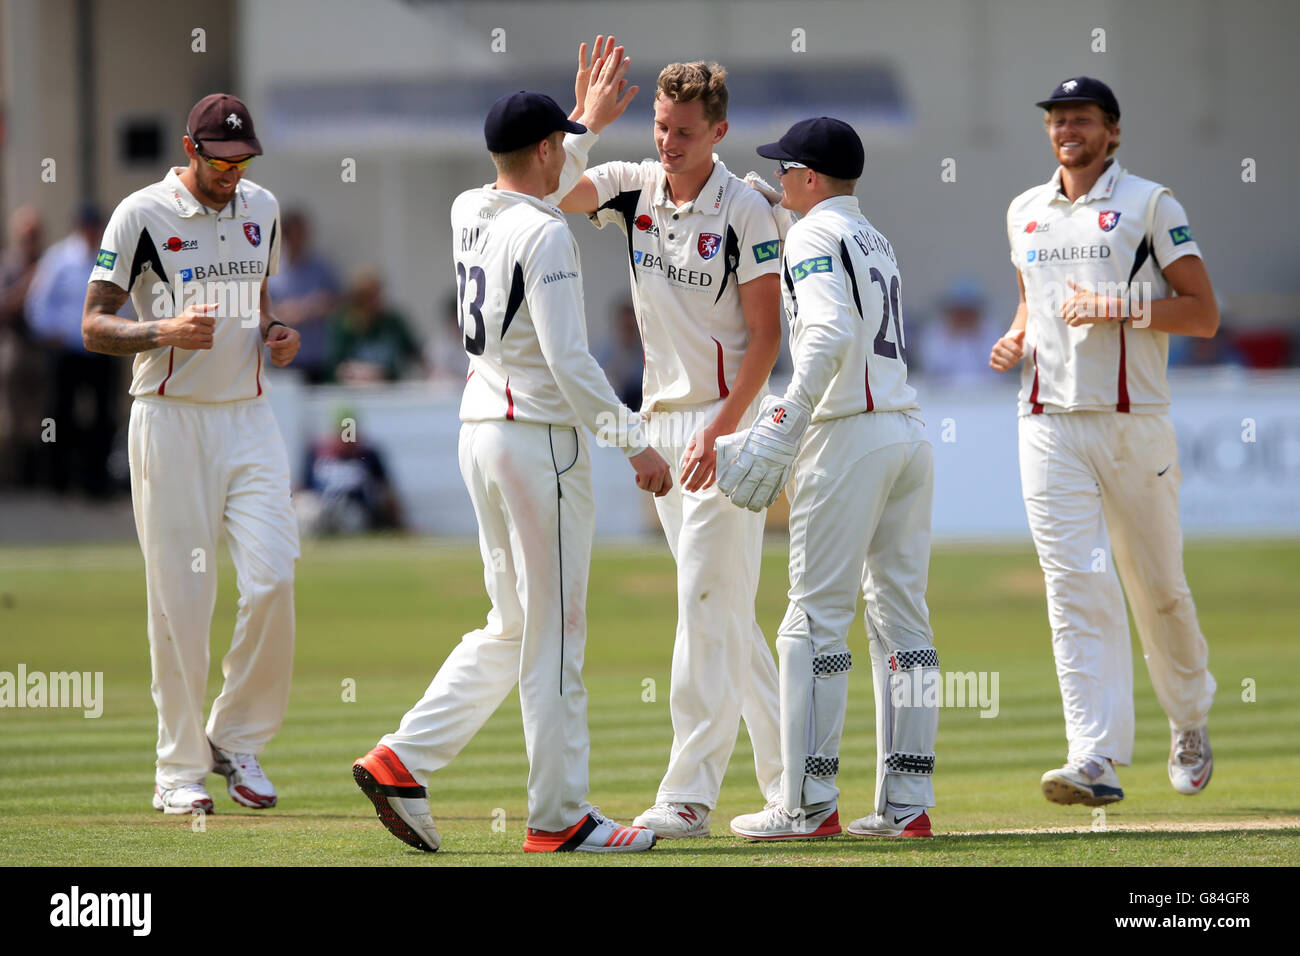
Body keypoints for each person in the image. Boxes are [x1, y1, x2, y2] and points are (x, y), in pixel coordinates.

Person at [352, 48, 674, 855]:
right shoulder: (547, 236)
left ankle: (401, 758)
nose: (567, 149)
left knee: (512, 625)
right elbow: (572, 365)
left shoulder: (471, 206)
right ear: (542, 152)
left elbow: (548, 185)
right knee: (557, 636)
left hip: (481, 434)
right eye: (560, 141)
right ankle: (560, 816)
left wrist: (584, 129)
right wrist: (635, 442)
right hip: (541, 445)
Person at [557, 49, 783, 838]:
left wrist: (721, 434)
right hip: (663, 421)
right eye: (660, 127)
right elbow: (550, 190)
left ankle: (687, 795)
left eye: (685, 132)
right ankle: (798, 783)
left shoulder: (745, 209)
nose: (668, 144)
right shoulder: (633, 187)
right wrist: (583, 123)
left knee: (703, 604)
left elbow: (765, 341)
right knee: (728, 611)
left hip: (728, 423)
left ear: (718, 131)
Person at [988, 76, 1218, 806]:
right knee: (1076, 588)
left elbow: (1204, 314)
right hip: (1047, 422)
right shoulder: (1025, 210)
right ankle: (1094, 755)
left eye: (1081, 118)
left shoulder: (1151, 203)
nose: (1066, 129)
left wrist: (1121, 308)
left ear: (1111, 131)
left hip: (1133, 421)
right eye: (1057, 119)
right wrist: (1015, 337)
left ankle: (1188, 719)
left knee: (1159, 589)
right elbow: (1032, 304)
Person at [716, 118, 938, 840]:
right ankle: (908, 804)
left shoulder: (811, 236)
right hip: (906, 432)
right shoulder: (871, 235)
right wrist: (781, 212)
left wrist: (785, 420)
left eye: (785, 171)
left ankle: (807, 805)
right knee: (904, 625)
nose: (777, 178)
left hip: (847, 436)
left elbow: (827, 332)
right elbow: (840, 287)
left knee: (811, 621)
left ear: (810, 178)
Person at [82, 93, 301, 815]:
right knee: (180, 601)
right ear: (190, 149)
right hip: (169, 421)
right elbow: (93, 324)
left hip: (248, 418)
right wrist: (163, 332)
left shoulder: (261, 206)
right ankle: (177, 773)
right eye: (221, 160)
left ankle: (235, 739)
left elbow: (261, 297)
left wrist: (276, 330)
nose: (233, 173)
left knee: (273, 577)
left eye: (243, 160)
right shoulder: (141, 214)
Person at [26, 205, 121, 497]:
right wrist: (51, 332)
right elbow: (38, 303)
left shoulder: (110, 259)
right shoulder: (60, 259)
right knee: (60, 414)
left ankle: (96, 481)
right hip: (67, 349)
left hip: (102, 350)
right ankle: (59, 480)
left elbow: (122, 300)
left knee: (103, 415)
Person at [0, 205, 45, 488]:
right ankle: (11, 481)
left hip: (44, 349)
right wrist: (29, 282)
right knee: (12, 420)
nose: (31, 240)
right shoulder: (9, 266)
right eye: (26, 236)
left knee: (43, 420)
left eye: (35, 235)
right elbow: (4, 306)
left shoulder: (51, 262)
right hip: (16, 348)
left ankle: (40, 479)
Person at [267, 208, 339, 382]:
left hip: (315, 358)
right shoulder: (272, 269)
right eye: (296, 234)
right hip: (281, 359)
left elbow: (335, 301)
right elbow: (261, 310)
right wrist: (289, 312)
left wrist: (310, 309)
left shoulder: (320, 268)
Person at [322, 267, 423, 384]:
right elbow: (333, 366)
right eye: (369, 296)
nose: (376, 300)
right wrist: (355, 372)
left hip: (388, 391)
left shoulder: (392, 322)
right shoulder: (344, 324)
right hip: (353, 393)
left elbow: (415, 353)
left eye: (378, 293)